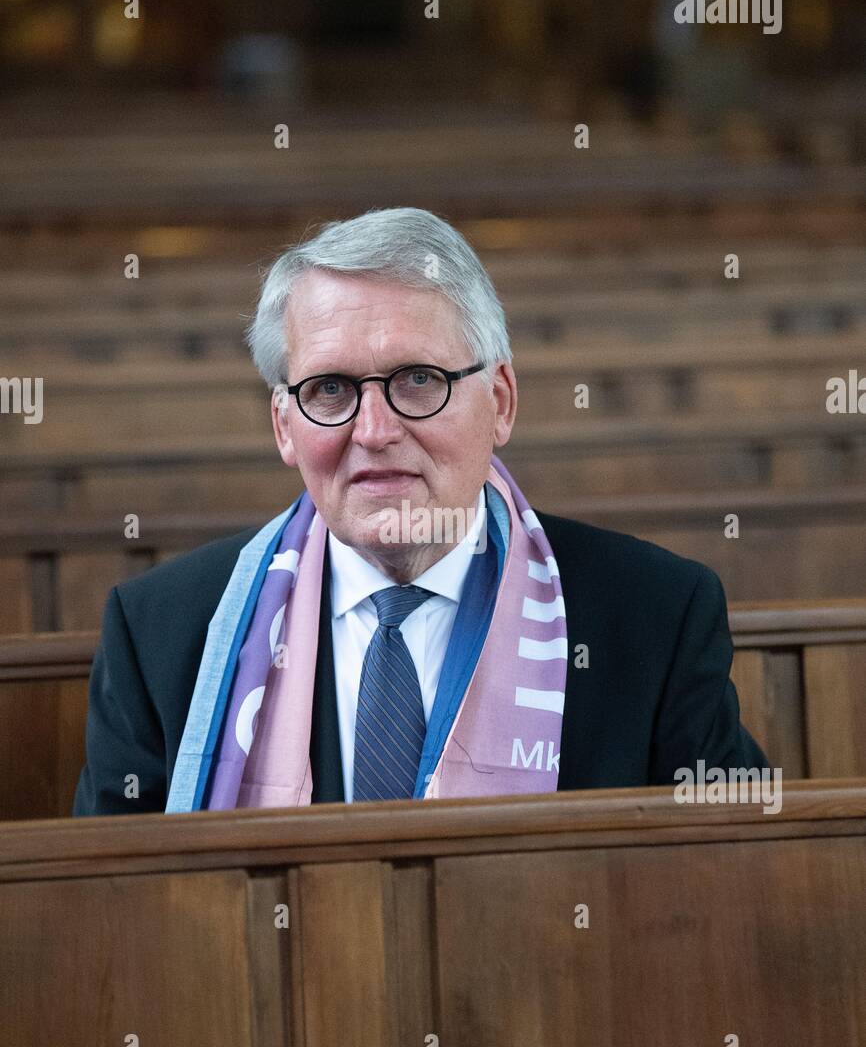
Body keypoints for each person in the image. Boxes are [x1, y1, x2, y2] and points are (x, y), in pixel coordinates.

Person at [73, 207, 768, 816]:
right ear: (284, 425)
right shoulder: (161, 634)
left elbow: (728, 878)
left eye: (418, 380)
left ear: (499, 401)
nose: (373, 430)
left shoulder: (654, 616)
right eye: (330, 389)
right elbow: (116, 917)